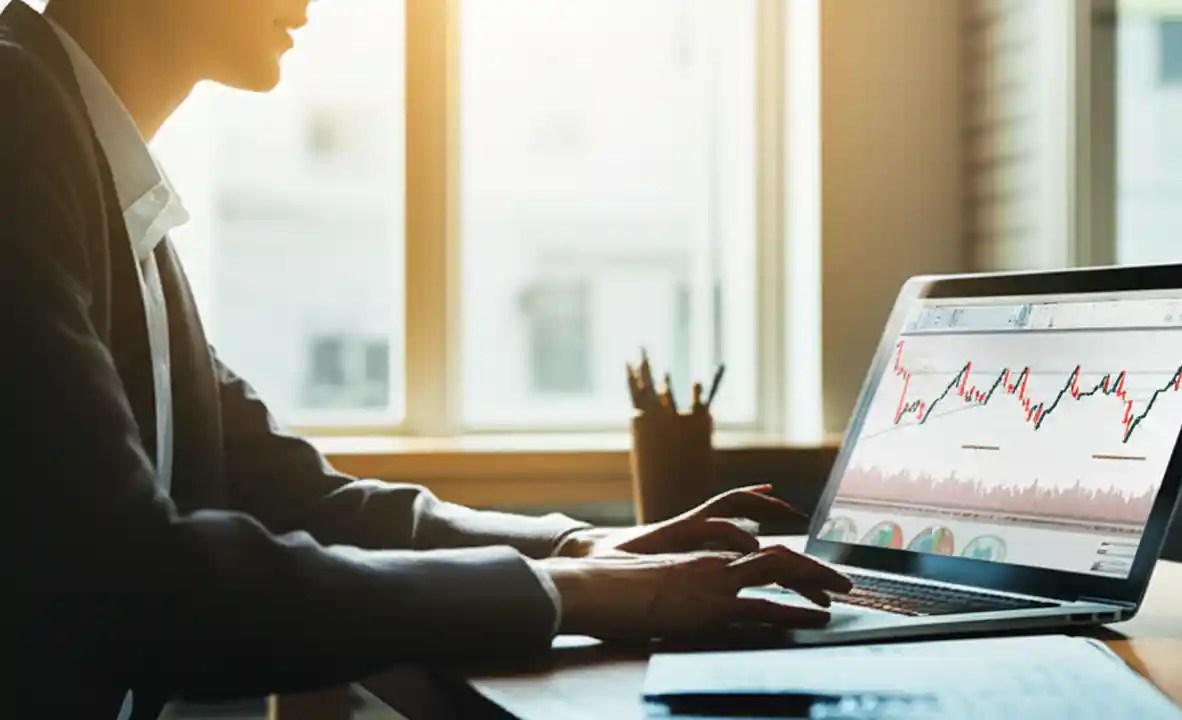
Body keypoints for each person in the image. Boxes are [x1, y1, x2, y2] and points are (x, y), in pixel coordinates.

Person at [0, 1, 852, 717]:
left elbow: (299, 495)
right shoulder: (18, 121)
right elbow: (138, 580)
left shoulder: (102, 173)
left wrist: (583, 547)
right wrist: (578, 595)